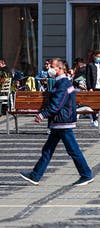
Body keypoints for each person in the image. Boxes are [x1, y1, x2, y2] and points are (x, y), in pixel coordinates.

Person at [19, 57, 93, 186]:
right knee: (47, 150)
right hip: (59, 122)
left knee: (73, 150)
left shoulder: (63, 83)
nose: (49, 68)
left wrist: (42, 114)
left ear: (60, 68)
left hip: (63, 122)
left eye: (52, 66)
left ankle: (86, 175)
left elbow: (57, 104)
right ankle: (35, 176)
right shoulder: (63, 82)